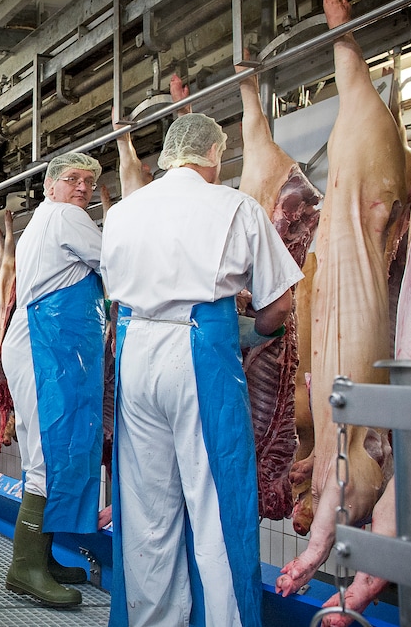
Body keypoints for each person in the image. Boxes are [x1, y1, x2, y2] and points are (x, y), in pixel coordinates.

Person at [100, 113, 300, 627]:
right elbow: (280, 302)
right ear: (214, 154)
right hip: (198, 352)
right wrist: (257, 330)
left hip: (135, 351)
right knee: (214, 503)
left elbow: (115, 293)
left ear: (169, 156)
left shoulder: (124, 211)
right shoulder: (233, 205)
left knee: (147, 511)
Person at [0, 152, 107, 608]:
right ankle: (24, 566)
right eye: (73, 179)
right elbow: (114, 263)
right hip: (44, 348)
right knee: (48, 456)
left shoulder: (45, 221)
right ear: (50, 185)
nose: (83, 189)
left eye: (90, 183)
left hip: (40, 346)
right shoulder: (66, 217)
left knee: (47, 452)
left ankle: (43, 557)